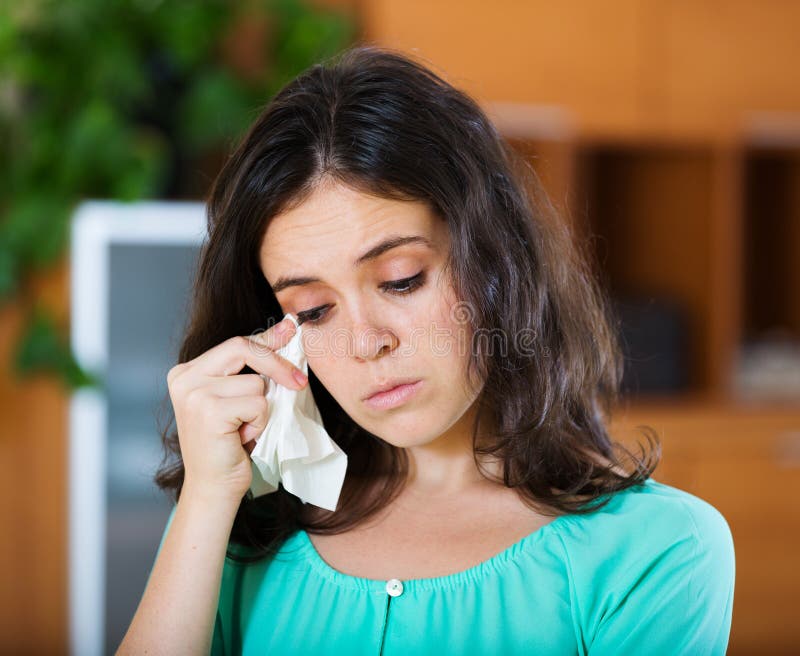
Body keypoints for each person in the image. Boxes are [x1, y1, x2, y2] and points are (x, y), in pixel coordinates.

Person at [117, 45, 735, 655]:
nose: (366, 343)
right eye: (313, 310)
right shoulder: (235, 522)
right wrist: (205, 497)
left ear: (497, 260)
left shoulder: (658, 552)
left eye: (402, 279)